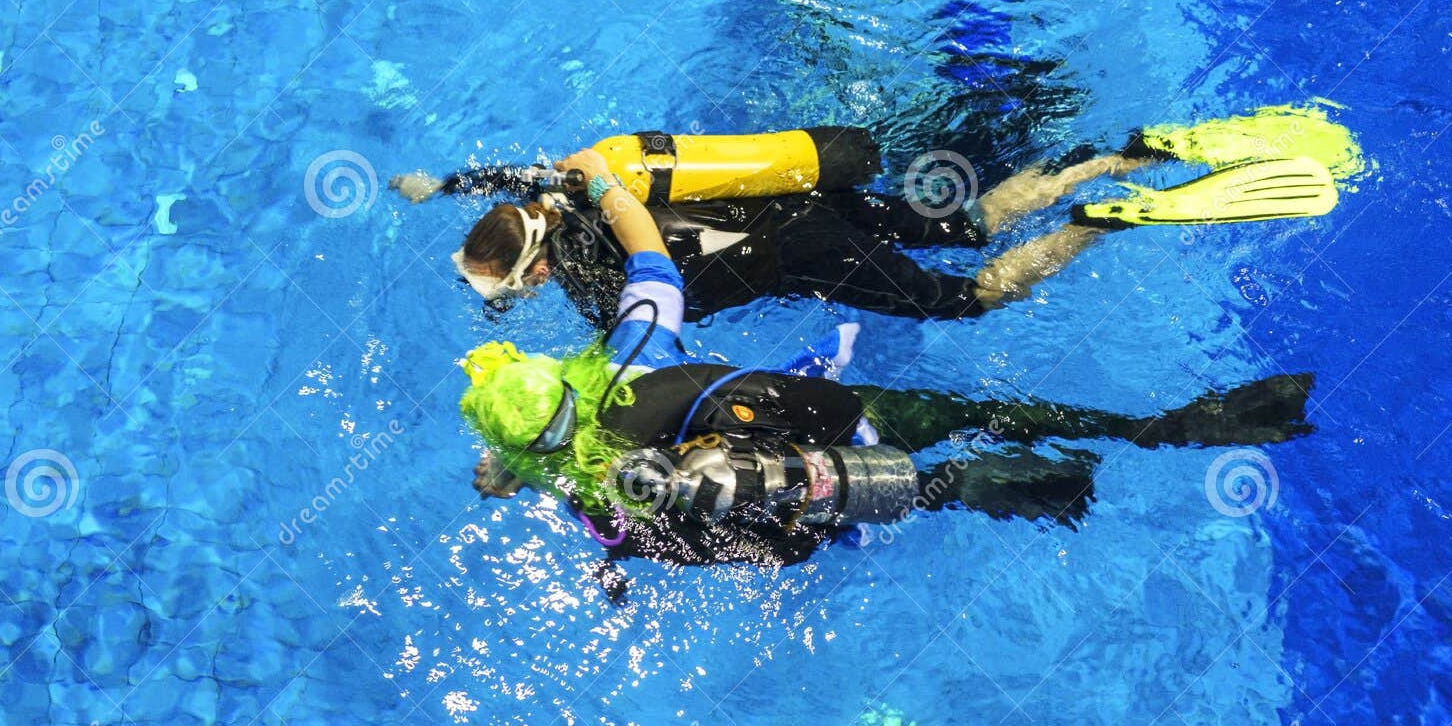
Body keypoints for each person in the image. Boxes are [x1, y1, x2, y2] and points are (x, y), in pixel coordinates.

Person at [456, 149, 1317, 594]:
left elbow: (535, 462)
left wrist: (502, 471)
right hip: (814, 313)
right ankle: (1101, 197)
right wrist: (607, 187)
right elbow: (646, 247)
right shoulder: (633, 346)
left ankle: (1067, 456)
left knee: (967, 327)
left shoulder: (570, 482)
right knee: (970, 267)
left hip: (817, 480)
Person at [399, 107, 1349, 329]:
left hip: (811, 257)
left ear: (531, 272)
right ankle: (1122, 155)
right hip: (807, 197)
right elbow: (506, 175)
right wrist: (442, 184)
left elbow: (662, 320)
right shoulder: (571, 180)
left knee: (970, 298)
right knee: (971, 222)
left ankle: (1104, 218)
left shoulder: (604, 302)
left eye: (509, 292)